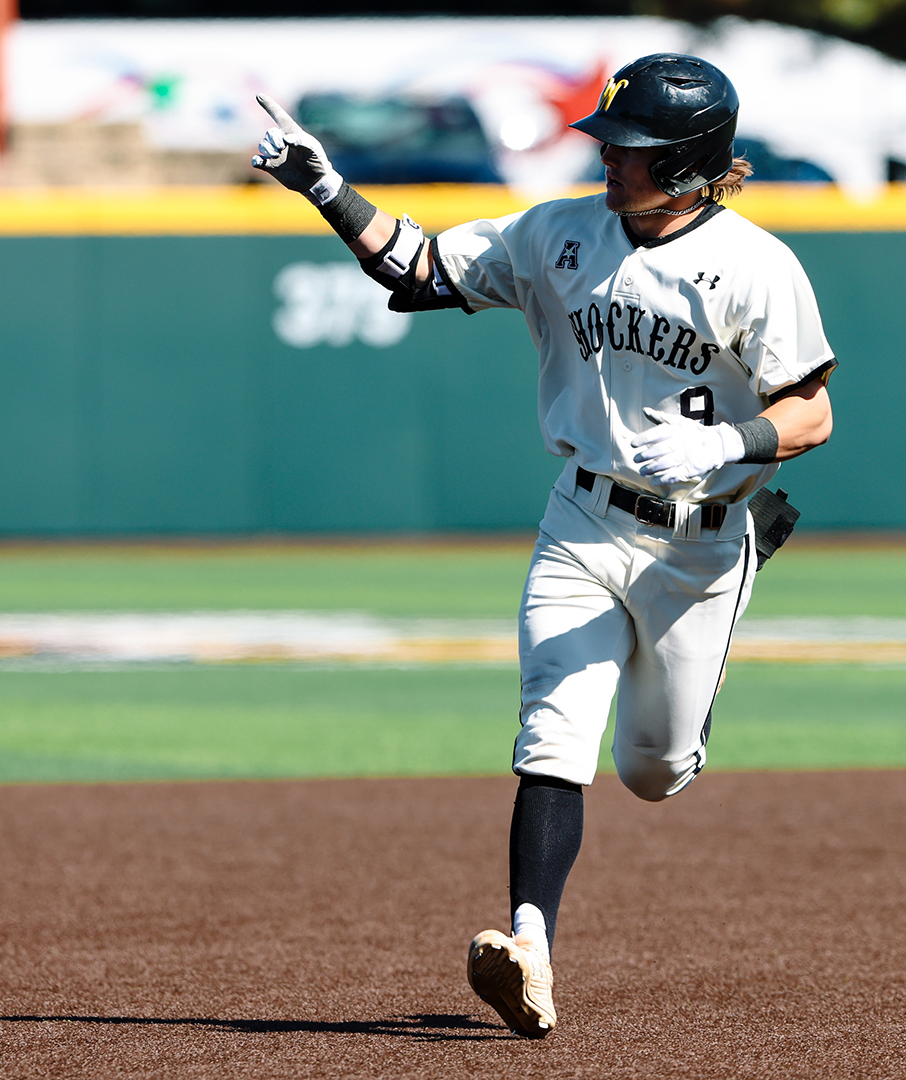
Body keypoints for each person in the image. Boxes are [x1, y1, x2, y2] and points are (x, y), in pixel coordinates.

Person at [251, 53, 836, 1037]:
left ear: (691, 162)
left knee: (652, 770)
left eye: (634, 151)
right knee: (551, 734)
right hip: (583, 520)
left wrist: (728, 442)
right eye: (609, 144)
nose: (612, 162)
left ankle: (747, 559)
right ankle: (530, 944)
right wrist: (325, 186)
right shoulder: (558, 230)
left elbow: (812, 412)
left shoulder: (757, 266)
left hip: (697, 548)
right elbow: (421, 265)